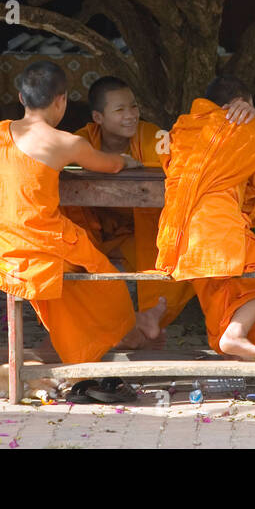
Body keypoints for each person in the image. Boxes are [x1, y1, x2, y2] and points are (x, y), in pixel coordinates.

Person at [0, 61, 162, 363]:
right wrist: (127, 161)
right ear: (62, 100)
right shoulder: (65, 142)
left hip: (2, 251)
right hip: (47, 249)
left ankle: (111, 338)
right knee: (109, 283)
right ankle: (120, 333)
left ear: (21, 99)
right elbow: (110, 164)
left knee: (82, 280)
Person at [155, 76, 255, 361]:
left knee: (222, 290)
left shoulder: (181, 128)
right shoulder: (243, 124)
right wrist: (253, 121)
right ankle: (234, 335)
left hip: (179, 234)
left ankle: (232, 345)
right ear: (240, 105)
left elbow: (168, 159)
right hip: (218, 229)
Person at [61, 76, 194, 328]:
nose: (131, 115)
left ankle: (152, 317)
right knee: (71, 260)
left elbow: (181, 175)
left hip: (146, 227)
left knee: (167, 259)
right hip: (98, 228)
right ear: (98, 117)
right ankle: (99, 324)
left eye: (133, 106)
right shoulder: (81, 141)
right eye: (120, 109)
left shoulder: (154, 137)